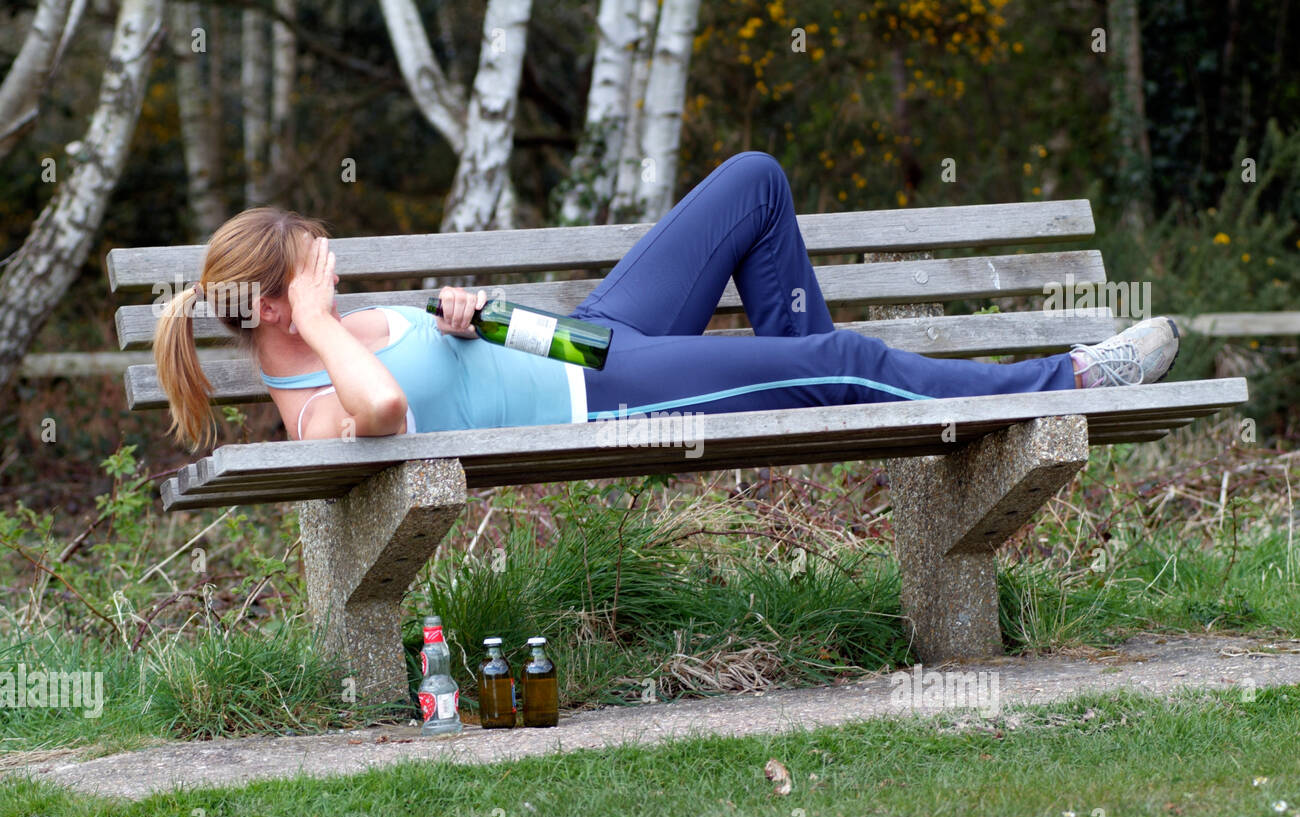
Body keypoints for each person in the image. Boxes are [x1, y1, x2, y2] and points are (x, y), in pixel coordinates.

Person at [153, 151, 1180, 452]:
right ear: (283, 308)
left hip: (587, 334)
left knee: (754, 179)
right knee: (853, 360)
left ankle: (824, 400)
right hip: (601, 395)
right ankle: (1071, 383)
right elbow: (376, 414)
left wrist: (459, 314)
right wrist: (325, 316)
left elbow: (419, 366)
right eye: (319, 274)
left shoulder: (324, 330)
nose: (339, 278)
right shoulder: (316, 411)